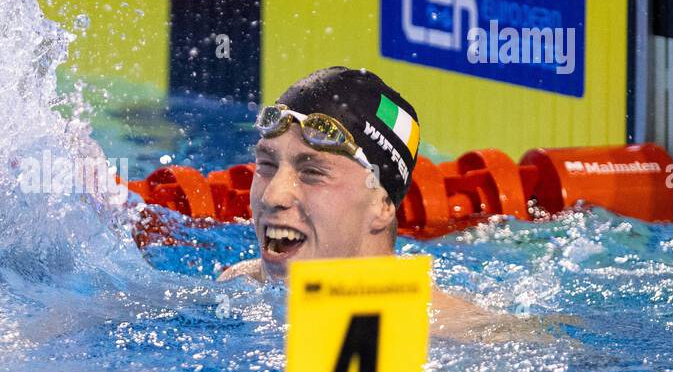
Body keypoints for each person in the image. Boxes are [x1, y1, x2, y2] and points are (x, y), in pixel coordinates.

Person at [218, 66, 528, 339]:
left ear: (382, 205)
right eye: (267, 166)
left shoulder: (464, 333)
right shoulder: (242, 284)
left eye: (312, 172)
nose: (273, 196)